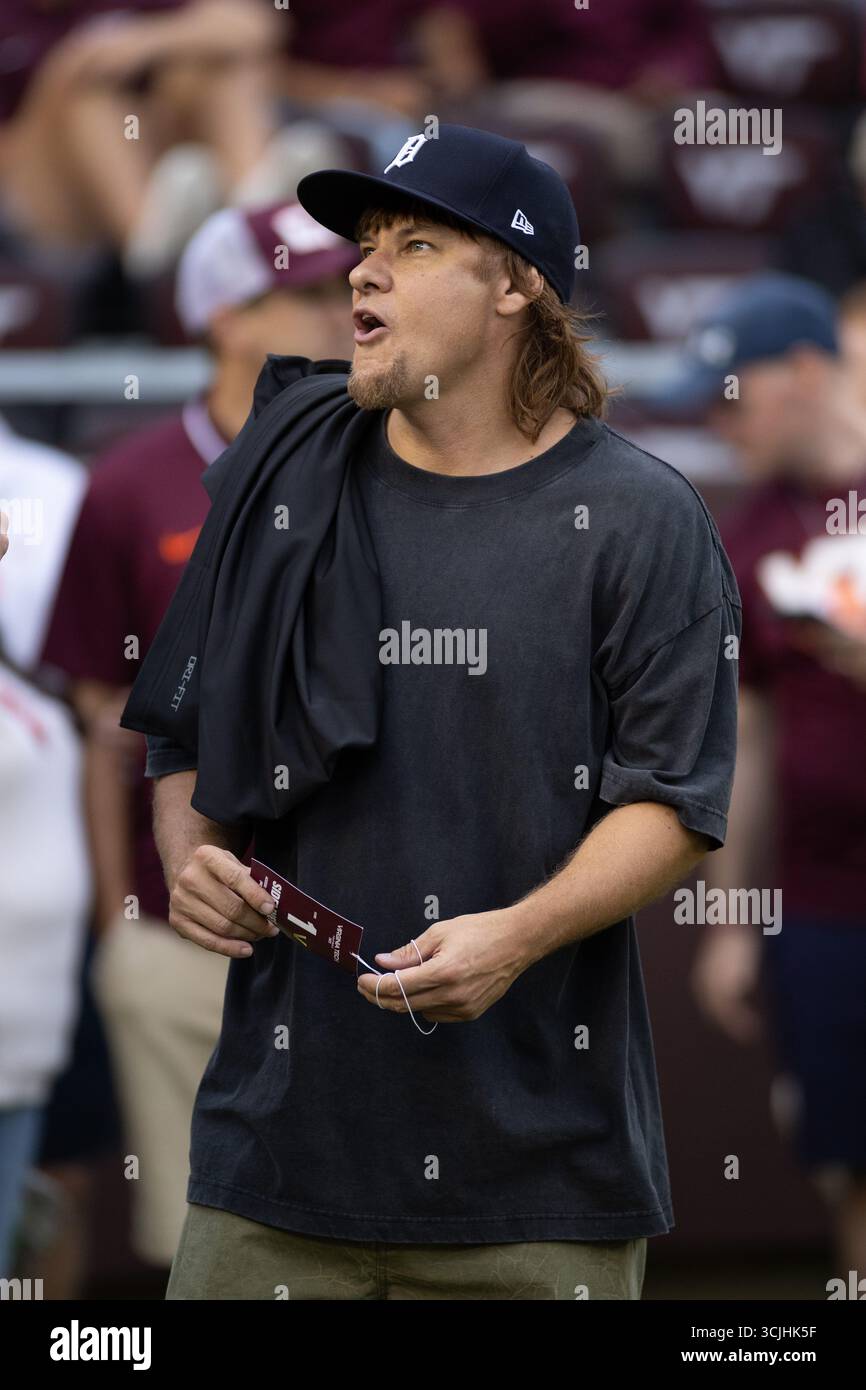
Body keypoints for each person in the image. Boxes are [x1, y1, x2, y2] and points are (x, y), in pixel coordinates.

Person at [134, 124, 741, 1301]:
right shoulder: (283, 469)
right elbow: (182, 723)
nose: (361, 271)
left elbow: (672, 802)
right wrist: (189, 849)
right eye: (362, 246)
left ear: (517, 286)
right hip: (271, 1164)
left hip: (536, 1186)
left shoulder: (639, 517)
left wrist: (516, 934)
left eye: (413, 244)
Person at [39, 201, 356, 1275]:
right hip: (181, 917)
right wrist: (117, 915)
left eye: (343, 287)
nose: (340, 310)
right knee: (203, 1236)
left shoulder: (389, 455)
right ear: (223, 316)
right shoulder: (131, 482)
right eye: (304, 292)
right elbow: (96, 717)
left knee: (360, 1233)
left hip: (363, 919)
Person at [674, 275, 866, 1281]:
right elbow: (740, 742)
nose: (717, 421)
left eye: (731, 392)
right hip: (824, 902)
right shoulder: (747, 538)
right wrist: (730, 920)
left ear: (801, 371)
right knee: (845, 1167)